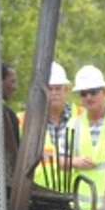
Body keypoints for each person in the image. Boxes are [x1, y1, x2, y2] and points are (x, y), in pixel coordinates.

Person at [70, 65, 105, 210]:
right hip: (79, 209)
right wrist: (72, 161)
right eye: (84, 93)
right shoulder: (73, 125)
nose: (88, 97)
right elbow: (60, 160)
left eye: (93, 92)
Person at [28, 62, 79, 191]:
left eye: (58, 88)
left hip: (75, 197)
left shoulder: (81, 117)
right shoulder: (26, 121)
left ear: (66, 90)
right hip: (40, 196)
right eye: (50, 89)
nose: (54, 93)